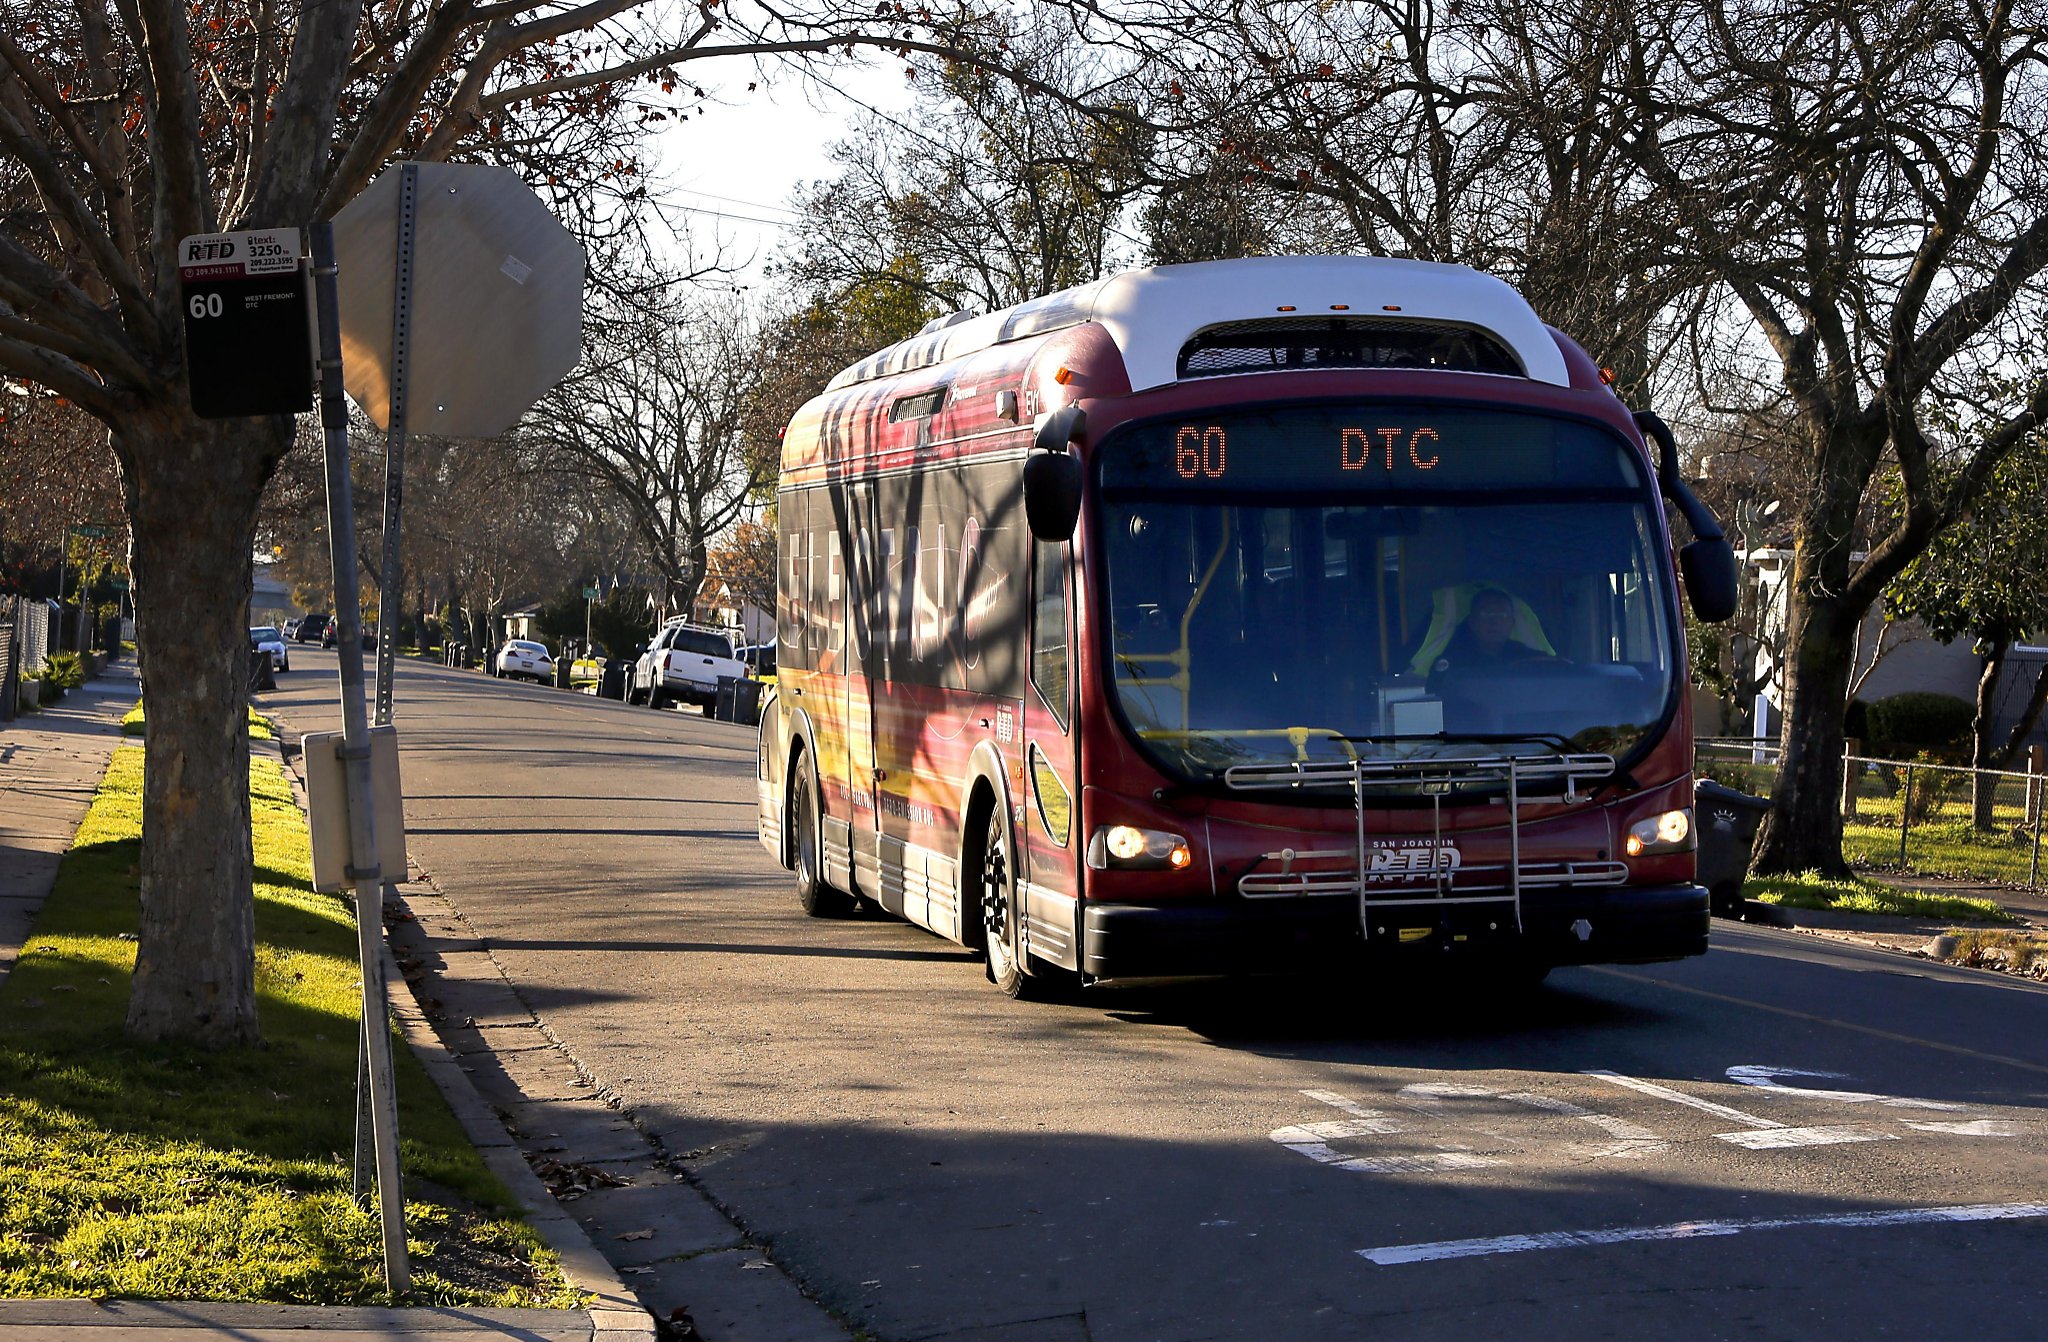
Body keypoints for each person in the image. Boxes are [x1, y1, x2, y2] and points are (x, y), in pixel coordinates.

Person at [1425, 587, 1551, 688]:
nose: (1494, 622)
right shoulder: (1454, 660)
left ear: (1512, 622)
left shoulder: (1528, 657)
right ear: (1472, 622)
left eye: (1502, 615)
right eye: (1485, 614)